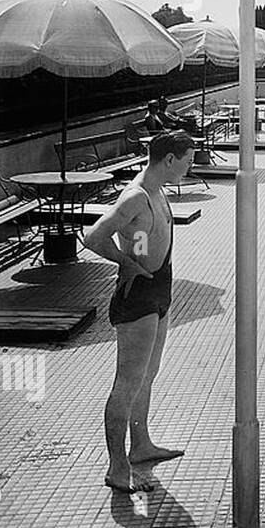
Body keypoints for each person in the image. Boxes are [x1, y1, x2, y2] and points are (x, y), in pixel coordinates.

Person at [83, 130, 196, 493]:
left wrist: (137, 254)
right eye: (188, 161)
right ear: (169, 160)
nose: (190, 167)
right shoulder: (135, 197)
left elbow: (142, 240)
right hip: (138, 295)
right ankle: (117, 467)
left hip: (159, 288)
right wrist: (126, 263)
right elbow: (94, 237)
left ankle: (141, 445)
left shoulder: (157, 191)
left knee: (148, 373)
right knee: (127, 381)